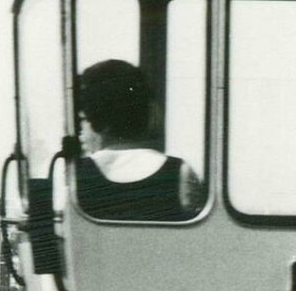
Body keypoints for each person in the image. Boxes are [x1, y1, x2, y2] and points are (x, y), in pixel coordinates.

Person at [73, 59, 204, 222]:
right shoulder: (181, 172)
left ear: (98, 120)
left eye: (82, 120)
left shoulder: (74, 177)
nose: (80, 133)